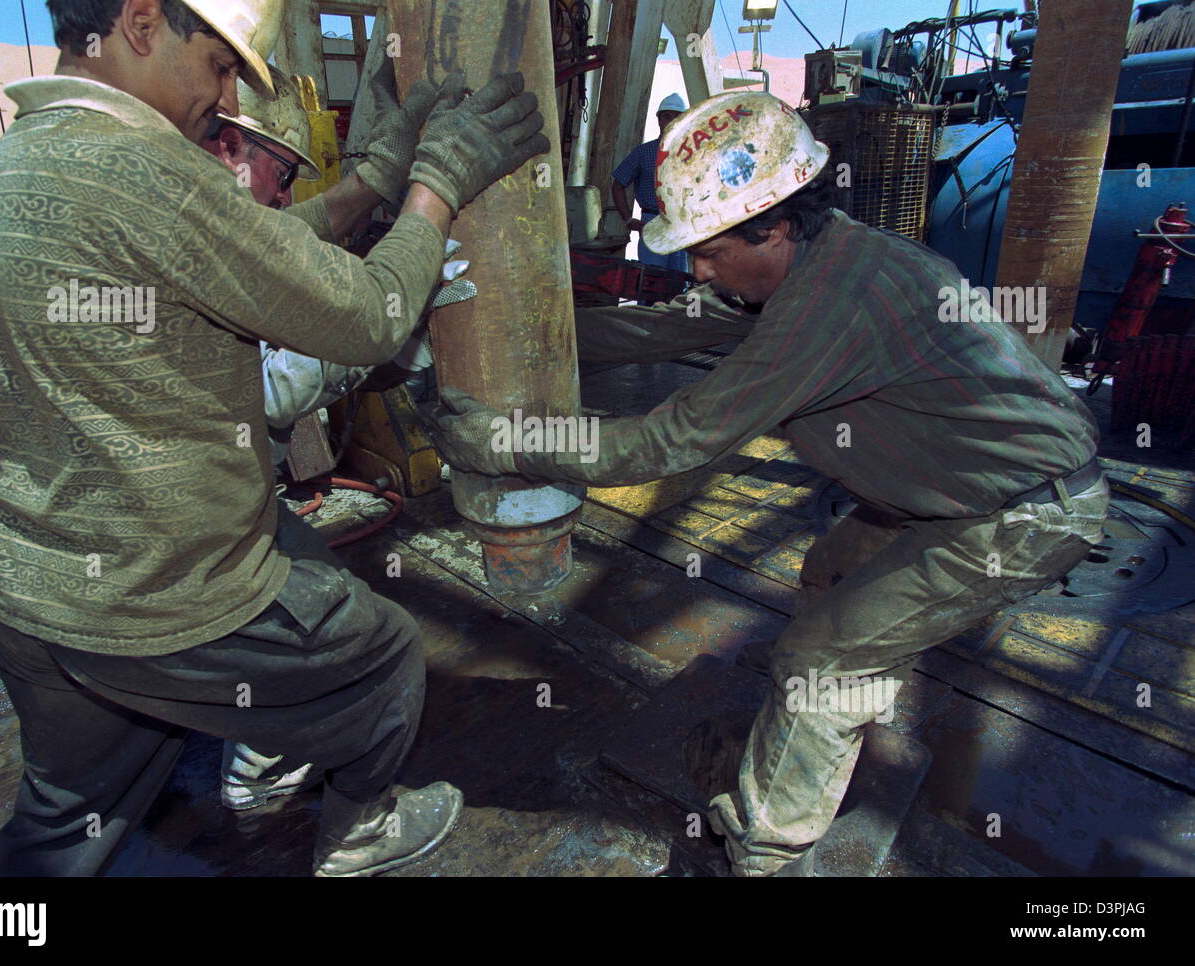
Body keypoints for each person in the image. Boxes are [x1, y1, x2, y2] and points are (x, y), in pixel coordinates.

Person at [419, 91, 1108, 877]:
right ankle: (814, 739)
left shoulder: (833, 301)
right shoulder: (811, 259)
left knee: (826, 656)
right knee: (831, 575)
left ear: (774, 226)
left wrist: (505, 441)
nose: (698, 269)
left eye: (709, 253)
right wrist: (528, 336)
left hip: (1020, 514)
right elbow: (674, 326)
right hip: (942, 489)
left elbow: (665, 439)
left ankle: (766, 847)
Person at [0, 0, 546, 876]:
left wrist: (377, 176)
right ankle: (358, 833)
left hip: (28, 594)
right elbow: (372, 315)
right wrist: (440, 181)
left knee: (68, 817)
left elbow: (244, 253)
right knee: (381, 657)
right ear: (144, 23)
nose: (225, 93)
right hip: (160, 598)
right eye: (222, 66)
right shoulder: (150, 169)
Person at [198, 64, 471, 810]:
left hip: (96, 560)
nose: (287, 197)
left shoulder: (182, 211)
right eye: (281, 174)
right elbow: (271, 388)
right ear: (228, 148)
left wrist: (383, 179)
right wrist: (398, 309)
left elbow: (293, 244)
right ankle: (332, 807)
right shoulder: (184, 224)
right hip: (189, 537)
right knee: (361, 640)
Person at [611, 92, 688, 277]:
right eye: (667, 116)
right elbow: (618, 184)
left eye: (677, 117)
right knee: (649, 281)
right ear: (658, 119)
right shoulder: (643, 152)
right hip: (652, 223)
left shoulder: (690, 154)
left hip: (681, 226)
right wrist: (628, 219)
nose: (671, 122)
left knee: (679, 283)